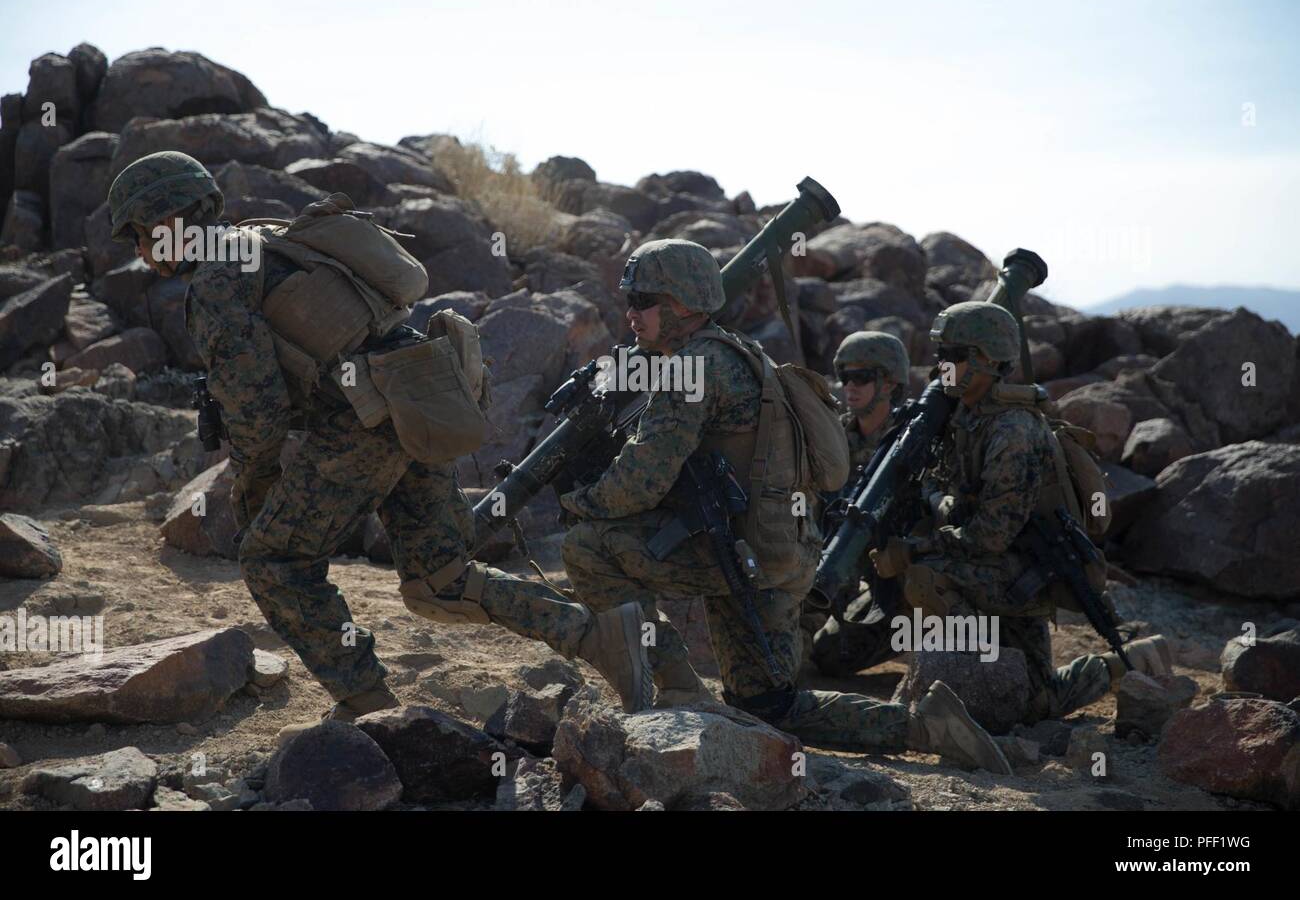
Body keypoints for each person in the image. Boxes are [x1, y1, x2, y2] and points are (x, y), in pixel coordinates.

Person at [107, 150, 654, 721]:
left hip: (363, 421)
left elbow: (258, 411)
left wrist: (253, 485)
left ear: (167, 222)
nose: (141, 253)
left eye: (139, 236)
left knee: (274, 560)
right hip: (415, 397)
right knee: (440, 578)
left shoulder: (219, 278)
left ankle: (366, 702)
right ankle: (602, 639)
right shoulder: (265, 239)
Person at [556, 238, 1011, 771]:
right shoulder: (735, 351)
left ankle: (677, 686)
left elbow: (640, 483)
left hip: (742, 556)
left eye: (644, 300)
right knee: (767, 704)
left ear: (681, 303)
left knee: (587, 546)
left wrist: (579, 499)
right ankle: (922, 726)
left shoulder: (691, 368)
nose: (631, 313)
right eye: (628, 299)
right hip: (776, 553)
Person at [870, 300, 1172, 724]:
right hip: (1000, 564)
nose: (943, 367)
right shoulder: (966, 413)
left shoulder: (1012, 431)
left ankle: (971, 683)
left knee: (925, 576)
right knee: (1039, 702)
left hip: (1024, 570)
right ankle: (1120, 664)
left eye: (954, 357)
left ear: (988, 361)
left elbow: (989, 537)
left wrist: (914, 549)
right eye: (940, 356)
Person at [806, 331, 914, 677]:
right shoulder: (833, 438)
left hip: (899, 580)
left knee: (832, 654)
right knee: (824, 655)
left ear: (889, 383)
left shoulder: (912, 443)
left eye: (862, 377)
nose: (849, 386)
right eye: (845, 377)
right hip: (836, 568)